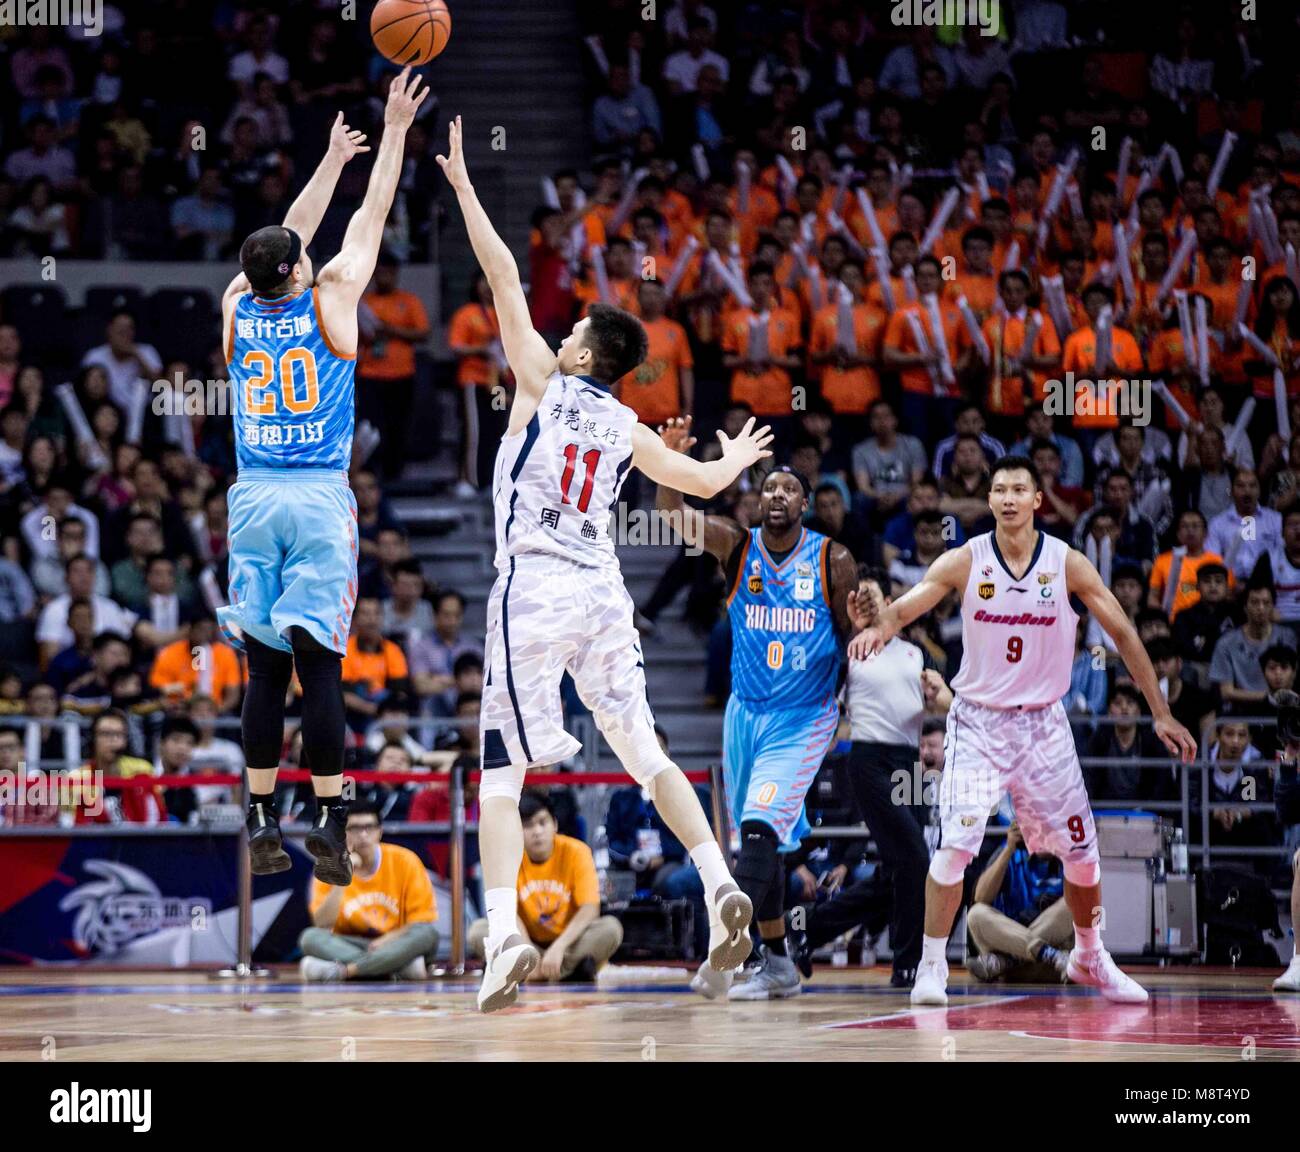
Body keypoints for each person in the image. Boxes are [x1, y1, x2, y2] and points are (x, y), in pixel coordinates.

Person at [437, 115, 770, 1011]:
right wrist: (734, 463)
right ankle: (716, 880)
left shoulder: (541, 380)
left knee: (501, 775)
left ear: (581, 354)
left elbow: (502, 273)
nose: (562, 330)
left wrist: (467, 186)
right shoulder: (624, 425)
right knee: (645, 751)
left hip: (536, 585)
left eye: (574, 327)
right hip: (602, 592)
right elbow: (696, 480)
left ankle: (502, 932)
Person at [850, 454, 1197, 1006]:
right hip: (980, 723)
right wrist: (878, 623)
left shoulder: (1066, 563)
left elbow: (1125, 633)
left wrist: (1159, 711)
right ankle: (931, 968)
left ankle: (1089, 955)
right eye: (999, 490)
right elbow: (908, 607)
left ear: (1038, 500)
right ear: (989, 502)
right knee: (954, 849)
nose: (1008, 499)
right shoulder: (967, 559)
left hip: (1043, 726)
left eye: (1019, 489)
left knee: (1083, 854)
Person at [218, 72, 427, 888]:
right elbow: (371, 214)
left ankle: (262, 812)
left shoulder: (238, 303)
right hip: (317, 496)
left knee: (266, 669)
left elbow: (283, 238)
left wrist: (329, 160)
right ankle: (333, 816)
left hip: (252, 495)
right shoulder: (333, 301)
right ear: (300, 270)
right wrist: (392, 130)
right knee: (322, 665)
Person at [655, 420, 863, 1000]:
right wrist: (669, 464)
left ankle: (730, 953)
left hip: (804, 716)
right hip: (744, 715)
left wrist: (849, 708)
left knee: (760, 828)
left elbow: (854, 638)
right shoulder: (735, 544)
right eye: (768, 488)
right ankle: (777, 963)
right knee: (757, 841)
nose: (777, 496)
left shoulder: (833, 559)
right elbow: (673, 516)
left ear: (805, 502)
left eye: (788, 489)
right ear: (757, 498)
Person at [832, 567, 946, 987]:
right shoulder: (847, 650)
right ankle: (909, 963)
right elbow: (828, 704)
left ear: (890, 601)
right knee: (914, 858)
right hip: (869, 758)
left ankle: (811, 930)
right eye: (859, 598)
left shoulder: (916, 652)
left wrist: (939, 692)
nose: (867, 604)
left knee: (905, 866)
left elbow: (946, 701)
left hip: (910, 760)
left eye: (873, 596)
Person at [467, 791, 623, 982]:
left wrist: (559, 947)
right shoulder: (509, 857)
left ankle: (523, 970)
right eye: (528, 825)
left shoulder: (577, 851)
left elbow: (590, 909)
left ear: (555, 824)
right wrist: (527, 951)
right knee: (479, 931)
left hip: (569, 943)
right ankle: (566, 972)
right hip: (526, 940)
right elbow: (507, 911)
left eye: (542, 822)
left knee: (610, 929)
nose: (537, 832)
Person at [298, 801, 440, 981]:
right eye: (354, 828)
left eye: (369, 827)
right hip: (348, 943)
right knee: (310, 938)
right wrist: (343, 876)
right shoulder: (329, 865)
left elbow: (420, 921)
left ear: (380, 831)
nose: (363, 835)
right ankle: (396, 969)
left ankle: (345, 971)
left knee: (427, 934)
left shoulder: (405, 860)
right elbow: (322, 923)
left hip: (395, 942)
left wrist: (385, 942)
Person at [965, 819, 1072, 983]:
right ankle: (1046, 954)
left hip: (1043, 967)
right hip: (1054, 961)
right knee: (976, 914)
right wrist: (1008, 850)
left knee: (1074, 905)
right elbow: (981, 897)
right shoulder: (1008, 852)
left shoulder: (1071, 860)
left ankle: (1007, 960)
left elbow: (1092, 914)